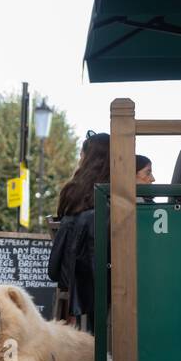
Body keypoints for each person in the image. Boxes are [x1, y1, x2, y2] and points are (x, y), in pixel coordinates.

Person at [49, 131, 110, 329]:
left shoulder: (71, 191)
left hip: (74, 276)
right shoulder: (113, 195)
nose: (79, 159)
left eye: (82, 154)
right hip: (102, 279)